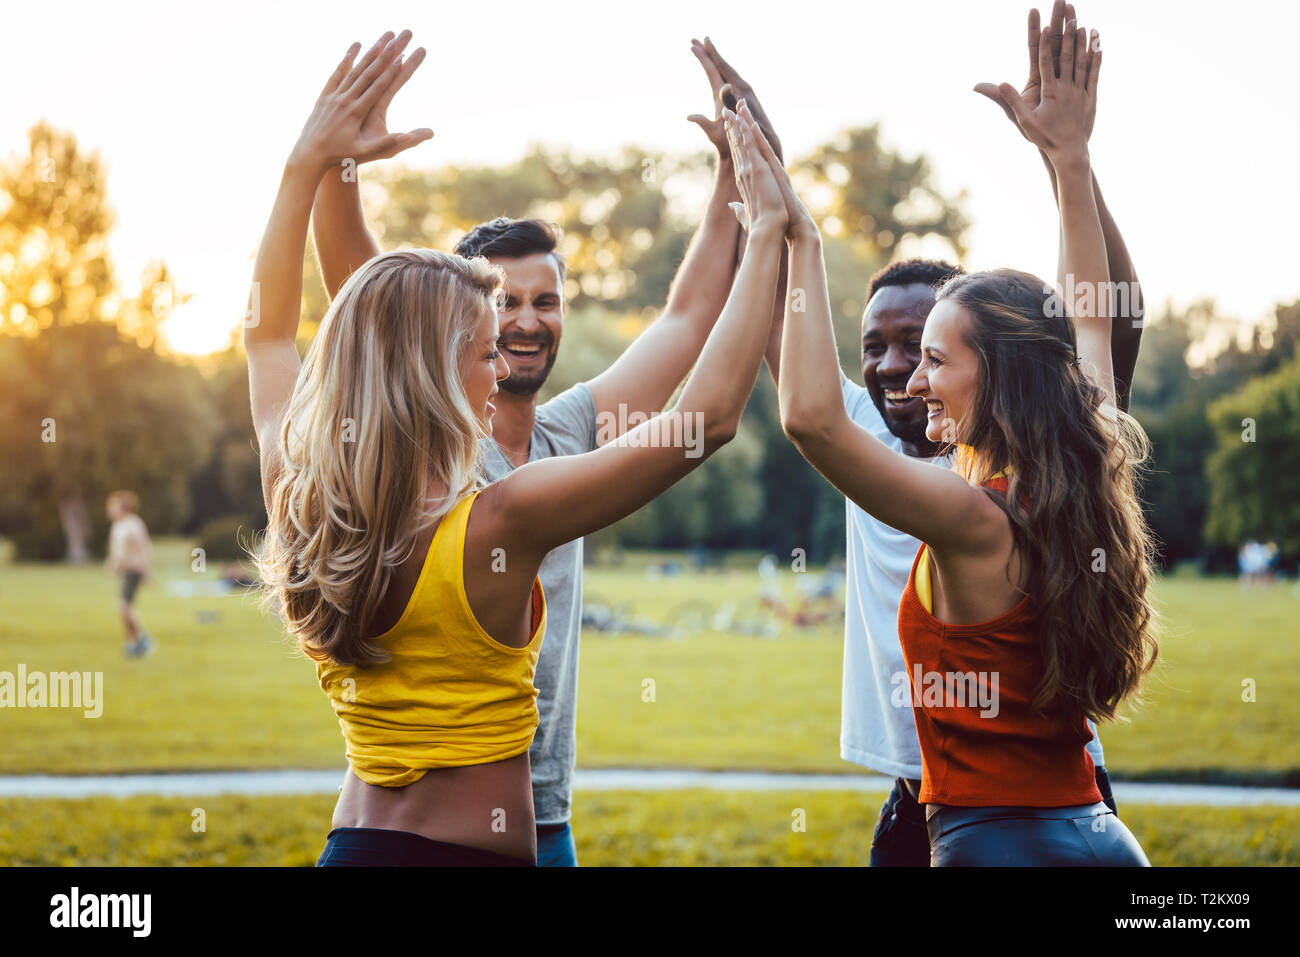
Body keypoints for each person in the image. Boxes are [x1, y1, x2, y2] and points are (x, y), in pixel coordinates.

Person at [244, 30, 788, 865]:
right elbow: (708, 420)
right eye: (483, 346)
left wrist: (307, 165)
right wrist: (773, 229)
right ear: (437, 369)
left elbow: (267, 338)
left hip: (353, 844)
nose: (500, 360)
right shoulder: (500, 519)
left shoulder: (306, 492)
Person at [744, 2, 1141, 865]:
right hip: (1099, 834)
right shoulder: (1085, 452)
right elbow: (1092, 317)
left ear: (992, 375)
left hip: (998, 843)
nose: (911, 379)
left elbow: (810, 416)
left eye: (933, 359)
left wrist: (801, 236)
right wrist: (1068, 160)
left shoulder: (973, 519)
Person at [105, 490, 155, 659]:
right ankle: (133, 643)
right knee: (125, 607)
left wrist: (147, 572)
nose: (110, 509)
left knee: (124, 607)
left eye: (113, 506)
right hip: (126, 571)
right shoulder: (118, 525)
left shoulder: (133, 524)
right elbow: (118, 550)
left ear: (123, 507)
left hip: (135, 570)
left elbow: (142, 548)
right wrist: (113, 563)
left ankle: (141, 640)